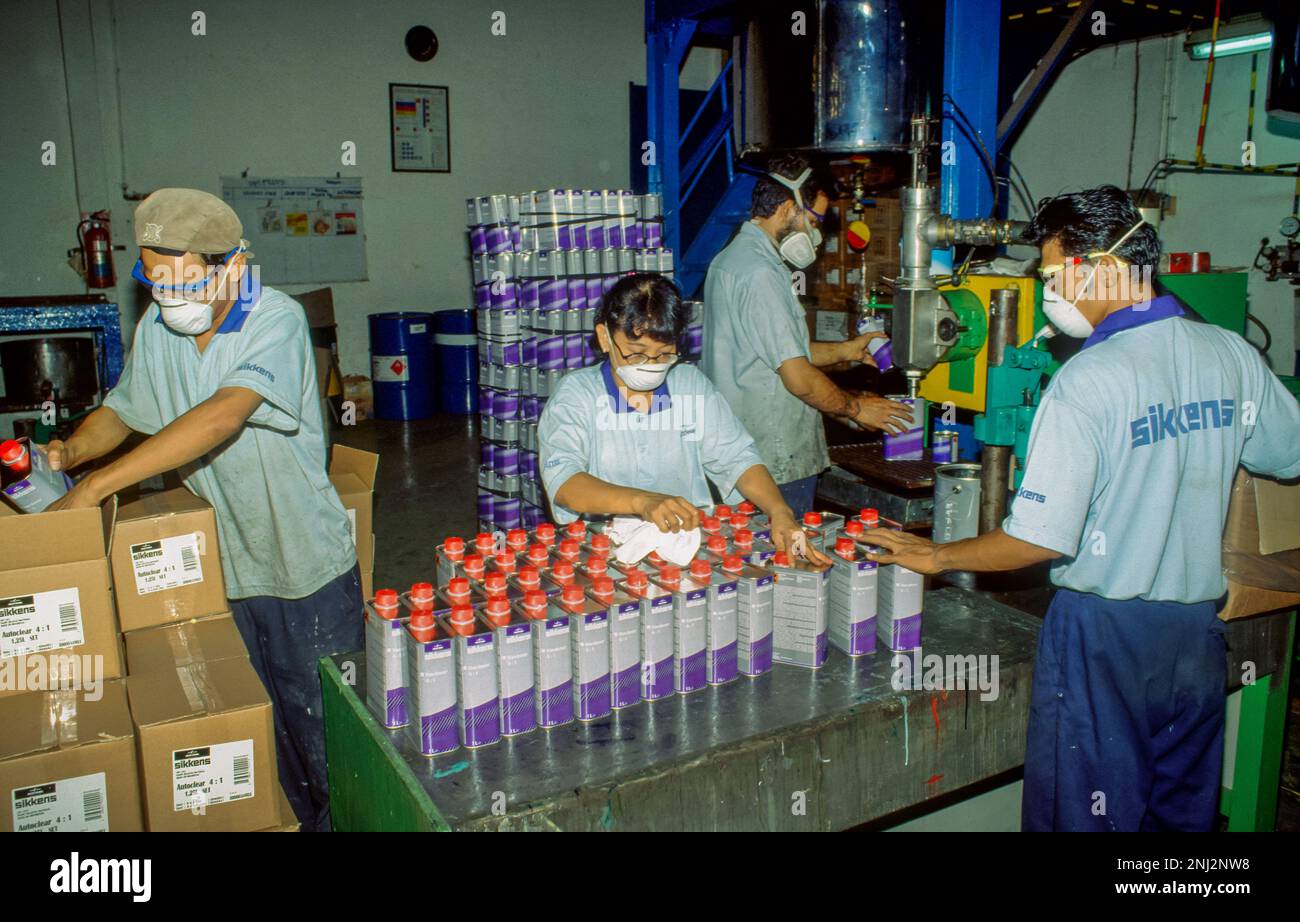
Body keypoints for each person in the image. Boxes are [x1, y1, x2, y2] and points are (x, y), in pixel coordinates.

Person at [863, 185, 1300, 832]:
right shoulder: (1232, 355)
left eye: (1052, 274)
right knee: (1179, 823)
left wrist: (933, 554)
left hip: (1104, 639)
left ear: (1104, 266)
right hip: (1194, 640)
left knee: (1086, 818)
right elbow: (1287, 456)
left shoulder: (1087, 381)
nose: (1049, 292)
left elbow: (1039, 539)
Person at [46, 188, 361, 832]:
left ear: (233, 267)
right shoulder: (159, 328)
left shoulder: (275, 321)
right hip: (225, 570)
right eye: (155, 283)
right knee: (263, 739)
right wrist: (73, 450)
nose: (168, 300)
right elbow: (125, 410)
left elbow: (221, 416)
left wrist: (99, 485)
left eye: (183, 283)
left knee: (331, 742)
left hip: (304, 569)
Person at [540, 273, 828, 563]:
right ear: (605, 337)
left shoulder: (689, 384)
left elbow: (737, 457)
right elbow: (565, 482)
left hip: (685, 547)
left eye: (664, 355)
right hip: (604, 551)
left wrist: (780, 511)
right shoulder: (577, 395)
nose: (651, 366)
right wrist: (643, 501)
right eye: (637, 355)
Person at [702, 153, 914, 518]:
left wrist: (846, 350)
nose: (815, 234)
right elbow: (798, 378)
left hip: (741, 450)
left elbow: (778, 353)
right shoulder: (762, 274)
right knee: (782, 565)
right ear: (788, 208)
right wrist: (858, 408)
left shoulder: (733, 259)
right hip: (771, 460)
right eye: (813, 220)